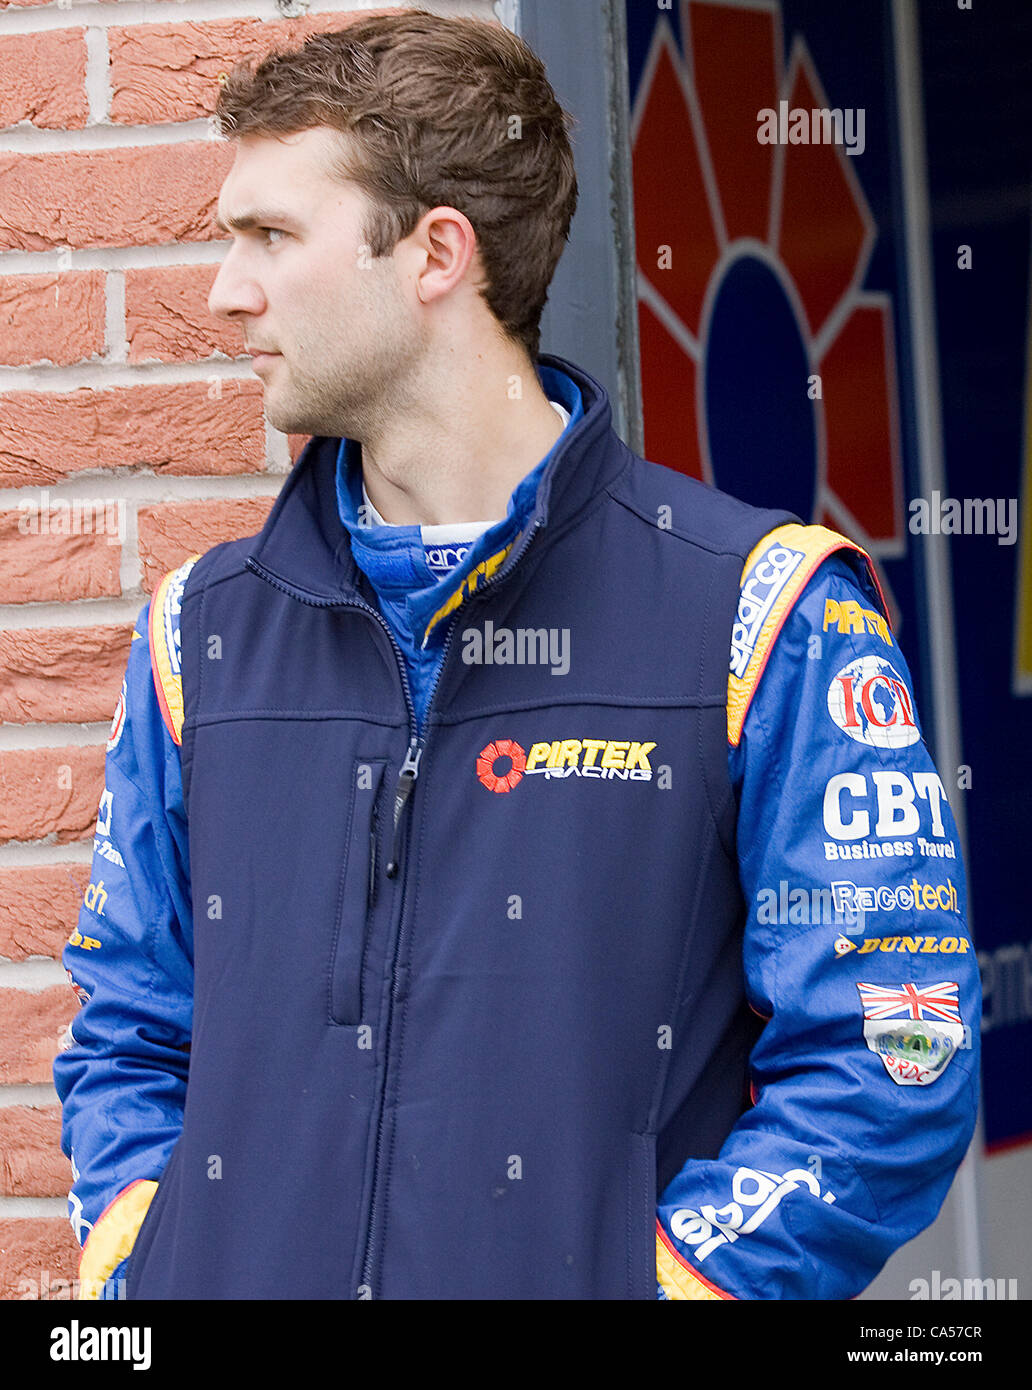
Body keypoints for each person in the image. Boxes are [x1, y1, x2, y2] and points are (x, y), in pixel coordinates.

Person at [53, 11, 980, 1301]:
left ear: (436, 253)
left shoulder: (763, 615)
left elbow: (892, 1064)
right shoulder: (198, 638)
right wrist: (145, 1264)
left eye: (270, 236)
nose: (227, 290)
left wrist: (664, 1291)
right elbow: (127, 1031)